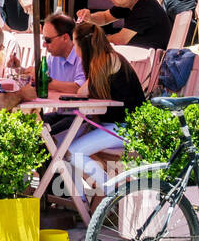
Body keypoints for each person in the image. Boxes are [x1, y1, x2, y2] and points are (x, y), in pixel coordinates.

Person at [61, 21, 148, 192]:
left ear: (82, 45)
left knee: (73, 152)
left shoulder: (108, 59)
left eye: (74, 43)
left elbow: (82, 91)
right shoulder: (104, 59)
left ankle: (112, 194)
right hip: (115, 127)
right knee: (61, 145)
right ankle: (81, 201)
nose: (73, 48)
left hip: (127, 129)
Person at [77, 0, 171, 49]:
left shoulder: (145, 9)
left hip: (147, 59)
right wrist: (89, 18)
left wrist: (90, 40)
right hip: (136, 51)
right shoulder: (131, 1)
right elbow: (105, 17)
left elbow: (120, 40)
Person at [31, 13, 86, 94]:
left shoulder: (81, 56)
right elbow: (38, 76)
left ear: (65, 38)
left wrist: (47, 82)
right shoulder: (53, 57)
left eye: (48, 40)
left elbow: (80, 88)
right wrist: (19, 68)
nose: (44, 44)